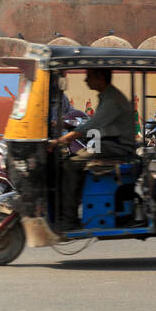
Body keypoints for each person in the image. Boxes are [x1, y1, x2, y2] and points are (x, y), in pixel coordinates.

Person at [52, 69, 136, 224]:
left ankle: (68, 219)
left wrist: (63, 139)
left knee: (70, 165)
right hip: (107, 143)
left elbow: (92, 125)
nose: (85, 80)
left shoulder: (111, 100)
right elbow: (93, 126)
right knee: (72, 159)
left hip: (117, 147)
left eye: (88, 77)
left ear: (100, 77)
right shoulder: (107, 96)